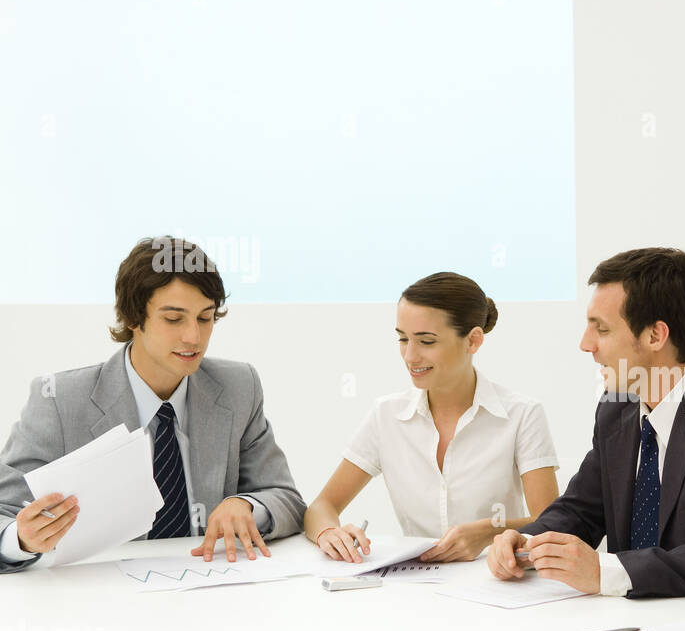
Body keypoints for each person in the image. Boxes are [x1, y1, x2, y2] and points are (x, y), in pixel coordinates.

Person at [485, 247, 685, 598]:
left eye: (601, 329)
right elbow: (582, 509)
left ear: (655, 336)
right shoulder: (617, 407)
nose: (585, 344)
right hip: (640, 625)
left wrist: (606, 572)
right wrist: (528, 542)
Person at [0, 236, 306, 572]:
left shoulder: (238, 387)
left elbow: (287, 499)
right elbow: (4, 509)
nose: (193, 337)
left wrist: (246, 505)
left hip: (212, 593)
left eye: (205, 318)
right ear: (133, 318)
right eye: (174, 319)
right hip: (102, 599)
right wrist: (20, 539)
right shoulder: (59, 400)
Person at [304, 272, 559, 563]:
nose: (410, 356)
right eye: (403, 339)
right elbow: (321, 506)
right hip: (416, 588)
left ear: (473, 340)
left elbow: (550, 521)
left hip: (497, 581)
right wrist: (329, 533)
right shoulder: (386, 415)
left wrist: (489, 532)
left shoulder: (522, 414)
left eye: (426, 341)